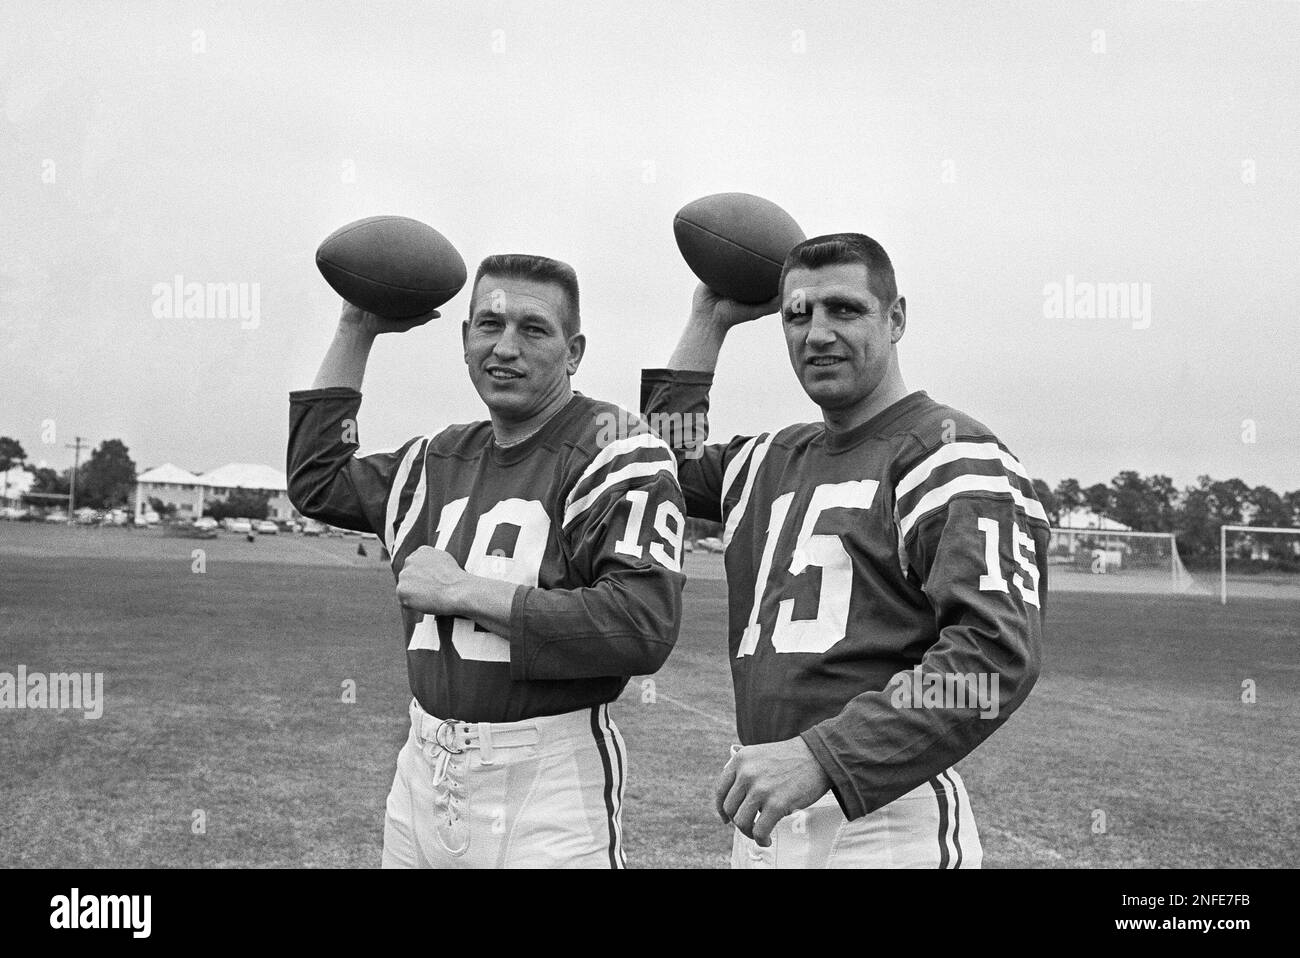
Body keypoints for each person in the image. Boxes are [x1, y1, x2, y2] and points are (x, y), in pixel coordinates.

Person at [641, 233, 1047, 868]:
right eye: (796, 315)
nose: (817, 333)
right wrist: (709, 319)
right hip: (766, 807)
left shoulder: (951, 453)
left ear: (897, 318)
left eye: (844, 310)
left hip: (883, 818)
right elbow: (655, 468)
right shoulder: (767, 459)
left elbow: (993, 655)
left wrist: (824, 755)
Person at [289, 254, 687, 868]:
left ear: (573, 350)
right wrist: (355, 327)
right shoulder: (438, 456)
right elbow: (318, 480)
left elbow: (639, 625)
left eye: (533, 329)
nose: (505, 347)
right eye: (488, 326)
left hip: (545, 782)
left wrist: (463, 592)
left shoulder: (616, 447)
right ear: (464, 338)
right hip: (422, 768)